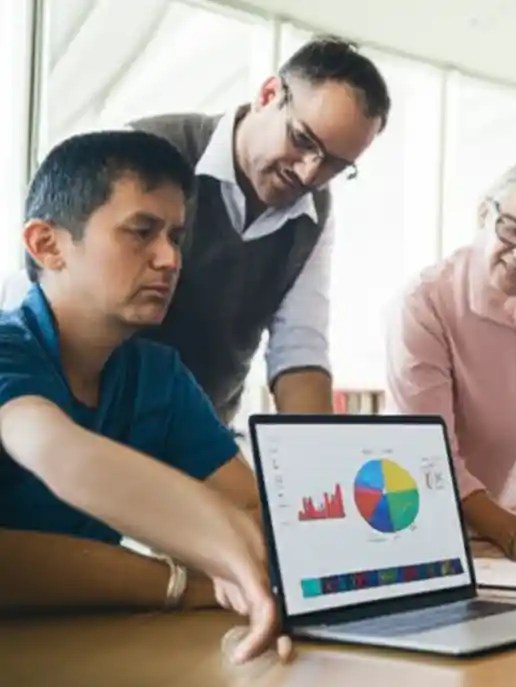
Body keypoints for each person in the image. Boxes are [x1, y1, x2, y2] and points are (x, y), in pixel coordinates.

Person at [0, 131, 288, 663]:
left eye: (176, 236)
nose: (170, 259)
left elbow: (251, 512)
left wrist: (240, 560)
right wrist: (186, 580)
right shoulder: (7, 350)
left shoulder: (156, 375)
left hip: (85, 654)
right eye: (141, 232)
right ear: (47, 245)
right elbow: (58, 454)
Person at [2, 37, 391, 423]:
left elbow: (299, 346)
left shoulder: (314, 210)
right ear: (268, 94)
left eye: (335, 166)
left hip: (197, 424)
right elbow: (48, 284)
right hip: (87, 413)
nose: (309, 172)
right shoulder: (146, 153)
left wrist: (315, 451)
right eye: (302, 139)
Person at [386, 162, 516, 566]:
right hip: (427, 522)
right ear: (485, 212)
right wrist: (510, 532)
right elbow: (429, 455)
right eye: (513, 229)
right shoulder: (425, 302)